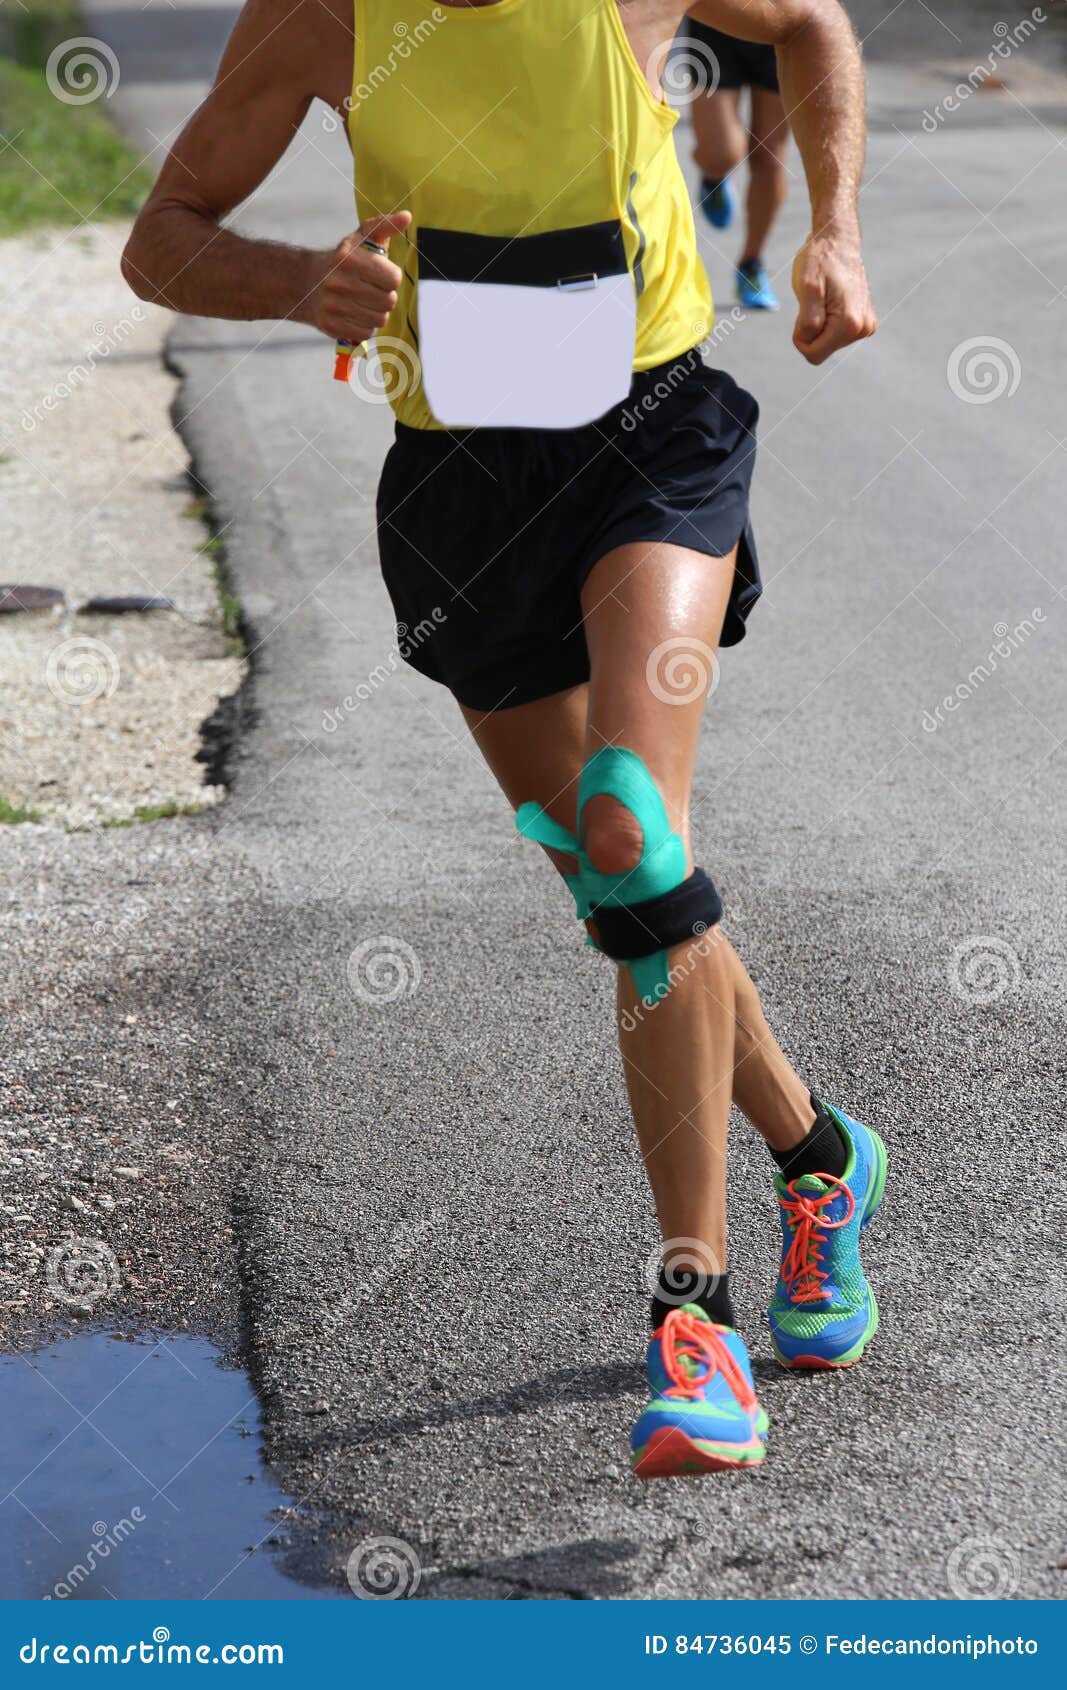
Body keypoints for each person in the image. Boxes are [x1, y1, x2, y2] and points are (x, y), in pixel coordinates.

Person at [121, 0, 880, 1480]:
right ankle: (819, 1160)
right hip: (460, 488)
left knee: (628, 829)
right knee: (626, 898)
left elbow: (808, 26)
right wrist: (296, 284)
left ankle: (697, 1326)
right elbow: (164, 234)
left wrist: (832, 231)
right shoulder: (324, 18)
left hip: (653, 437)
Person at [675, 16, 791, 310]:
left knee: (770, 156)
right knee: (723, 152)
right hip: (716, 18)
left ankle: (752, 264)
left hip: (784, 22)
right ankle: (713, 176)